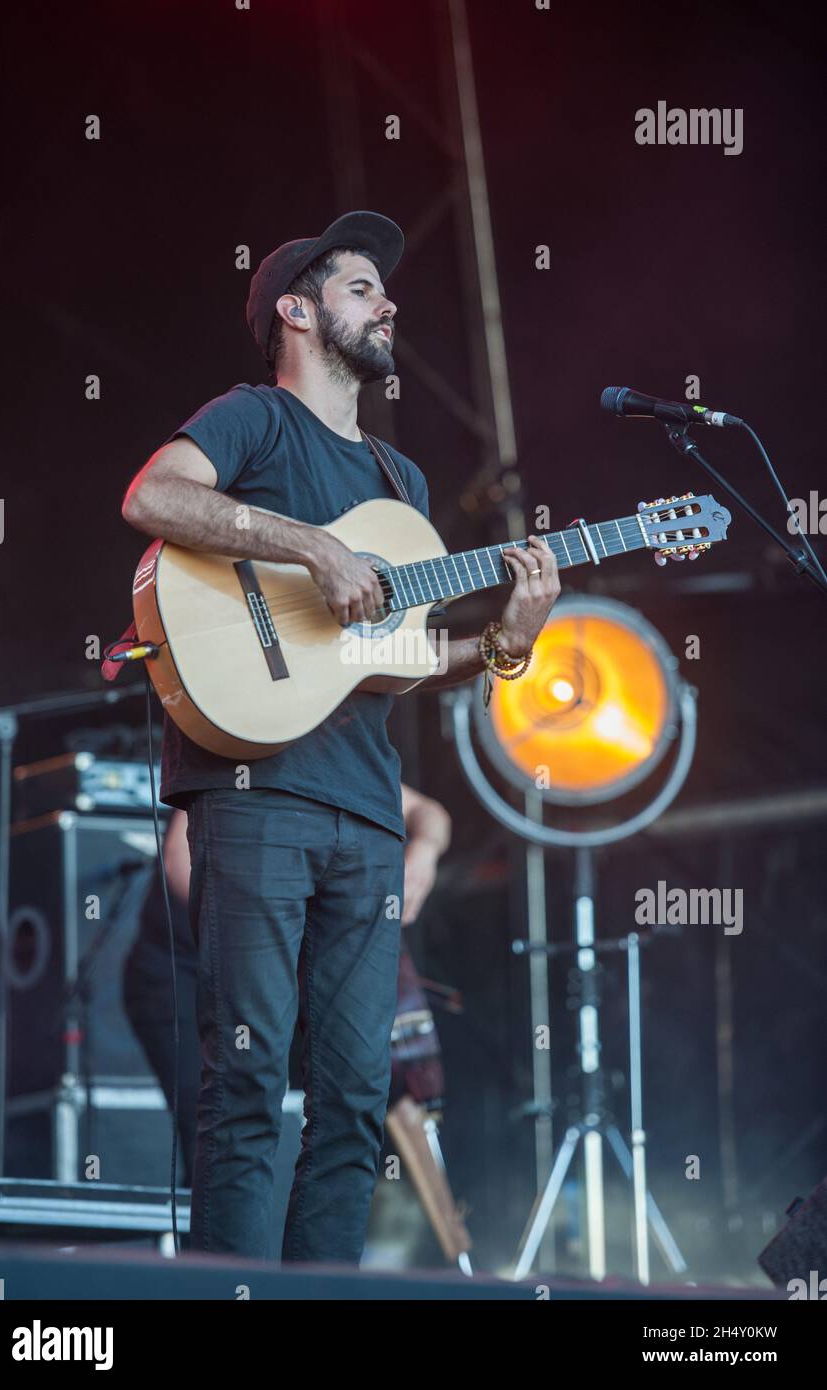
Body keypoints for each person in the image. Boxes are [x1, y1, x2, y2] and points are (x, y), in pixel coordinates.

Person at [121, 210, 560, 1262]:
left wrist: (502, 643)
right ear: (297, 308)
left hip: (364, 813)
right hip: (252, 794)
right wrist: (309, 549)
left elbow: (392, 659)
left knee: (359, 1095)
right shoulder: (253, 418)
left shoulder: (401, 486)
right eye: (363, 287)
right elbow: (153, 495)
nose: (389, 302)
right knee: (245, 1075)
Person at [122, 785, 452, 1190]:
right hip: (184, 980)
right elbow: (181, 867)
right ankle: (214, 1252)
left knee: (328, 1120)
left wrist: (425, 851)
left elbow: (430, 811)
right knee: (223, 1134)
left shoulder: (335, 754)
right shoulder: (248, 744)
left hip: (278, 981)